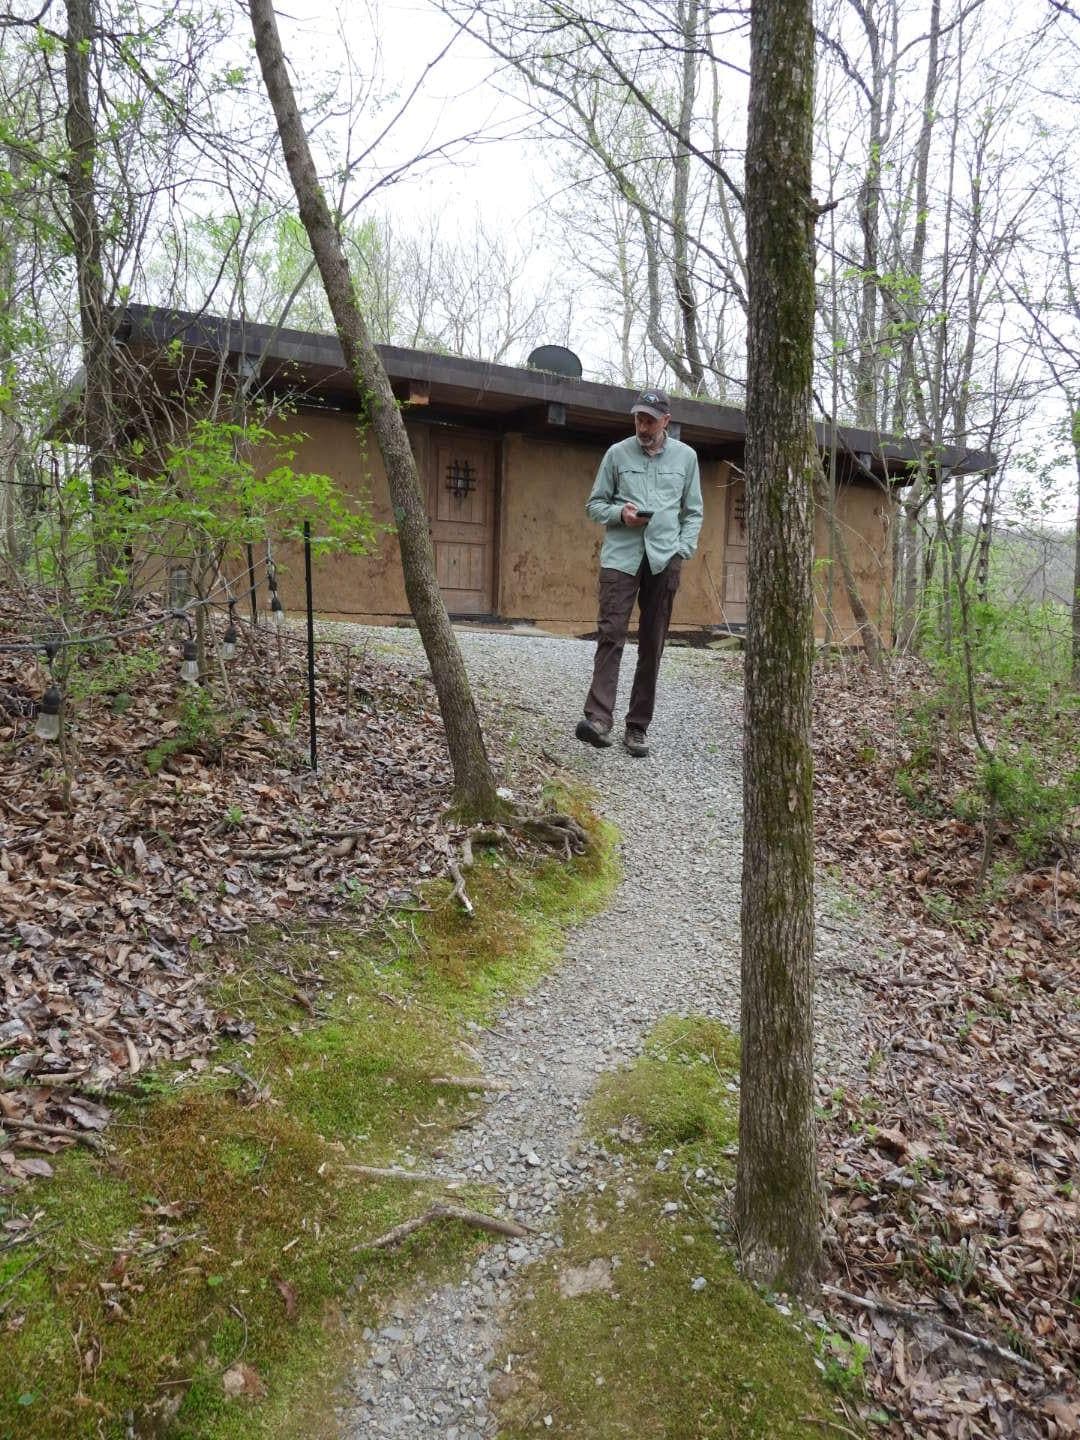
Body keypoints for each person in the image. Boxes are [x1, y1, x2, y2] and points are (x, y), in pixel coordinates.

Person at [575, 388, 703, 757]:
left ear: (666, 420)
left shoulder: (686, 457)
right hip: (621, 557)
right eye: (638, 418)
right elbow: (595, 504)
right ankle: (598, 720)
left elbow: (693, 511)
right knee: (611, 634)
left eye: (649, 419)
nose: (642, 426)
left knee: (652, 643)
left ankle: (637, 728)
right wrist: (620, 515)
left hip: (665, 558)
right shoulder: (617, 453)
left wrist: (683, 549)